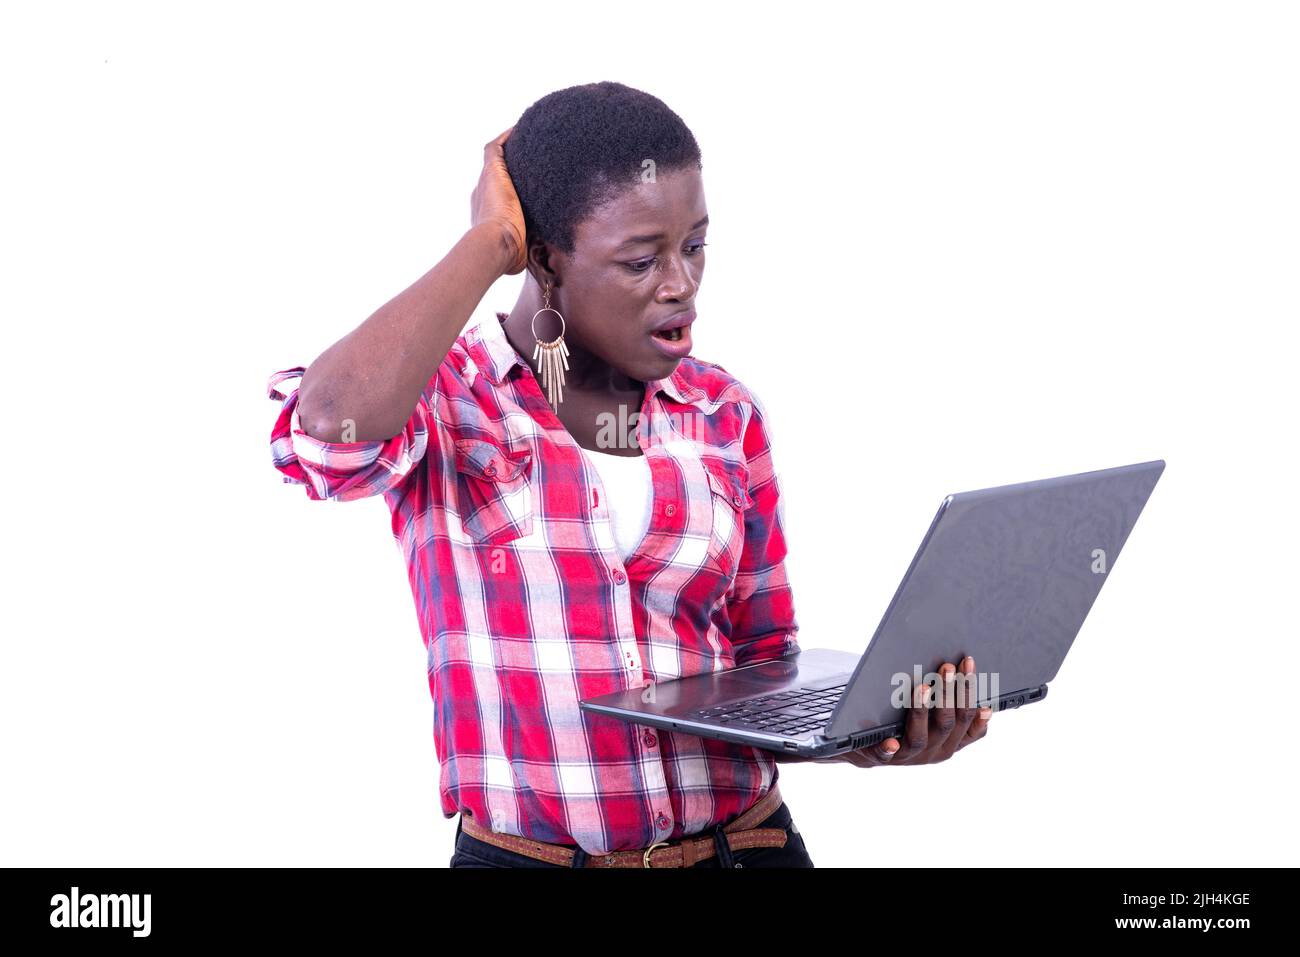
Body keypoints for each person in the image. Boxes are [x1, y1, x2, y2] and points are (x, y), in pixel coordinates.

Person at [265, 81, 992, 868]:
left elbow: (763, 664)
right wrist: (489, 240)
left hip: (747, 848)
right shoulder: (445, 402)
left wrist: (868, 729)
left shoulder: (723, 412)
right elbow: (326, 433)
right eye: (642, 259)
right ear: (543, 259)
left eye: (696, 245)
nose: (681, 282)